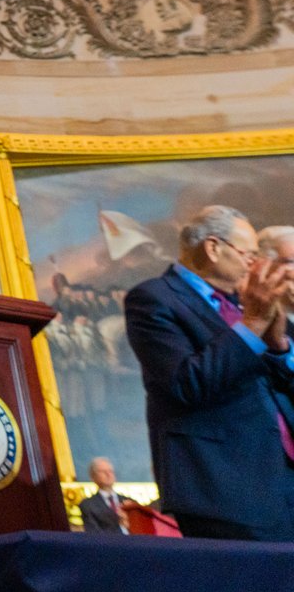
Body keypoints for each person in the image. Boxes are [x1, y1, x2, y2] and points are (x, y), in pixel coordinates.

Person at [124, 205, 294, 541]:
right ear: (213, 248)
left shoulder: (250, 301)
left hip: (284, 477)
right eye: (249, 253)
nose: (254, 262)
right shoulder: (154, 299)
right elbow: (187, 384)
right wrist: (254, 325)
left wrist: (279, 347)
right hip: (225, 486)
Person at [78, 457, 133, 534]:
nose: (108, 474)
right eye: (103, 471)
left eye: (110, 471)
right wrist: (122, 528)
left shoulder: (129, 501)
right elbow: (94, 535)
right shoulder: (88, 505)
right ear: (93, 477)